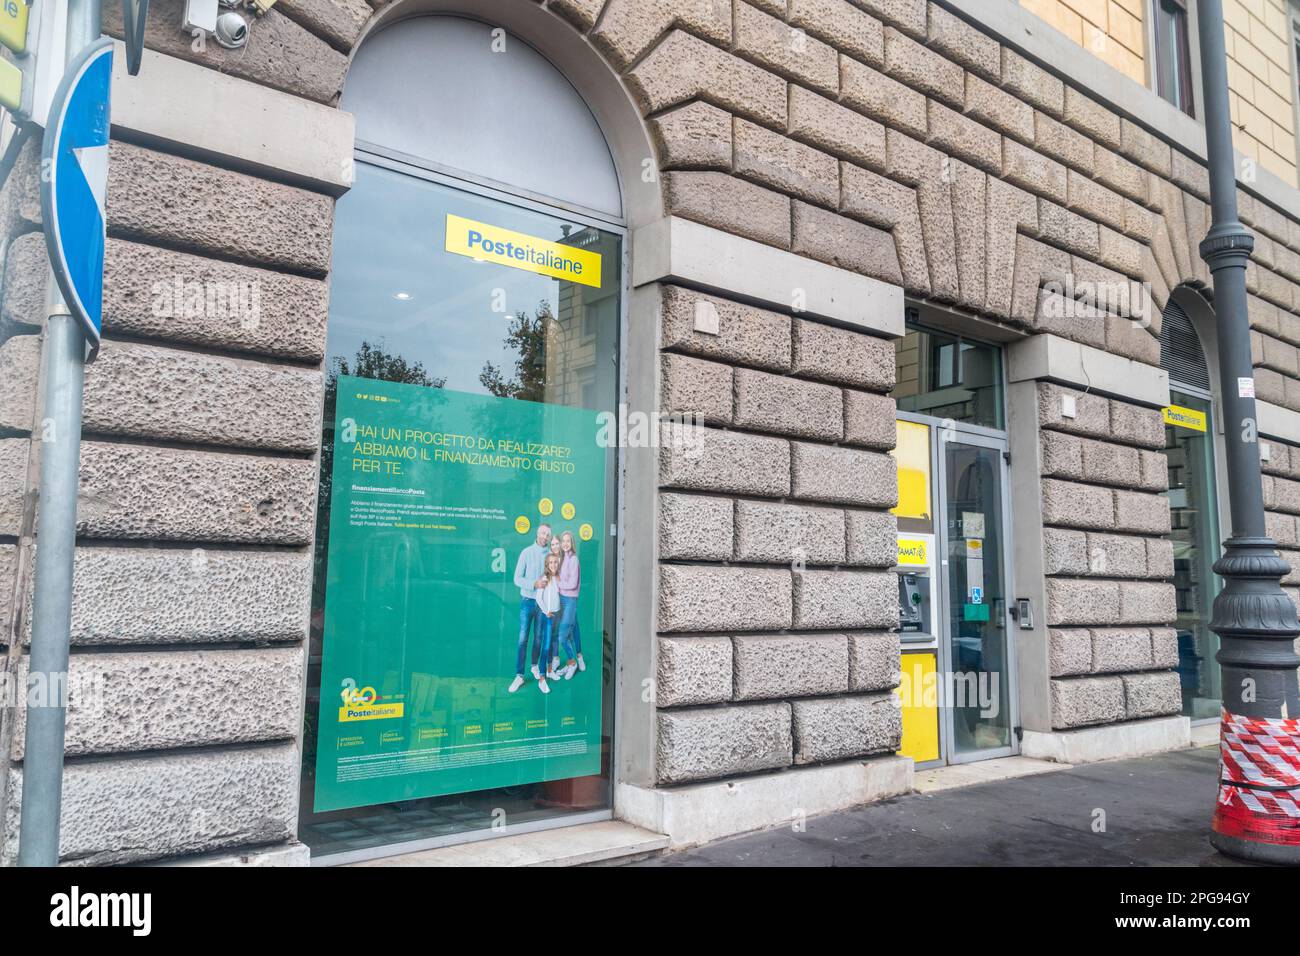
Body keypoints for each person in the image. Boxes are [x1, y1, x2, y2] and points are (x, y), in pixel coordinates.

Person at [509, 523, 551, 694]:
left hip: (543, 604)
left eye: (548, 535)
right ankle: (519, 675)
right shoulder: (526, 552)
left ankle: (534, 666)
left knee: (539, 638)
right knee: (523, 638)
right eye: (542, 533)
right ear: (537, 533)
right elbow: (517, 579)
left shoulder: (551, 555)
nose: (545, 537)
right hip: (527, 601)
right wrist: (534, 583)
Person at [534, 552, 564, 692]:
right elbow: (539, 598)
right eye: (550, 562)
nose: (553, 565)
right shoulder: (544, 578)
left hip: (557, 614)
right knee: (545, 646)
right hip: (548, 615)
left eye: (555, 562)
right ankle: (541, 678)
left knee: (553, 643)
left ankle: (550, 670)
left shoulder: (558, 578)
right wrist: (546, 612)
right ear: (547, 565)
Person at [557, 530, 584, 679]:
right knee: (574, 629)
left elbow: (573, 584)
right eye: (563, 541)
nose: (565, 544)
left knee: (562, 636)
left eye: (568, 541)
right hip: (561, 599)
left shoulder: (574, 559)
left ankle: (572, 663)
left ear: (571, 543)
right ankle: (577, 658)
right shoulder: (561, 558)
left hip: (570, 600)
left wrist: (559, 584)